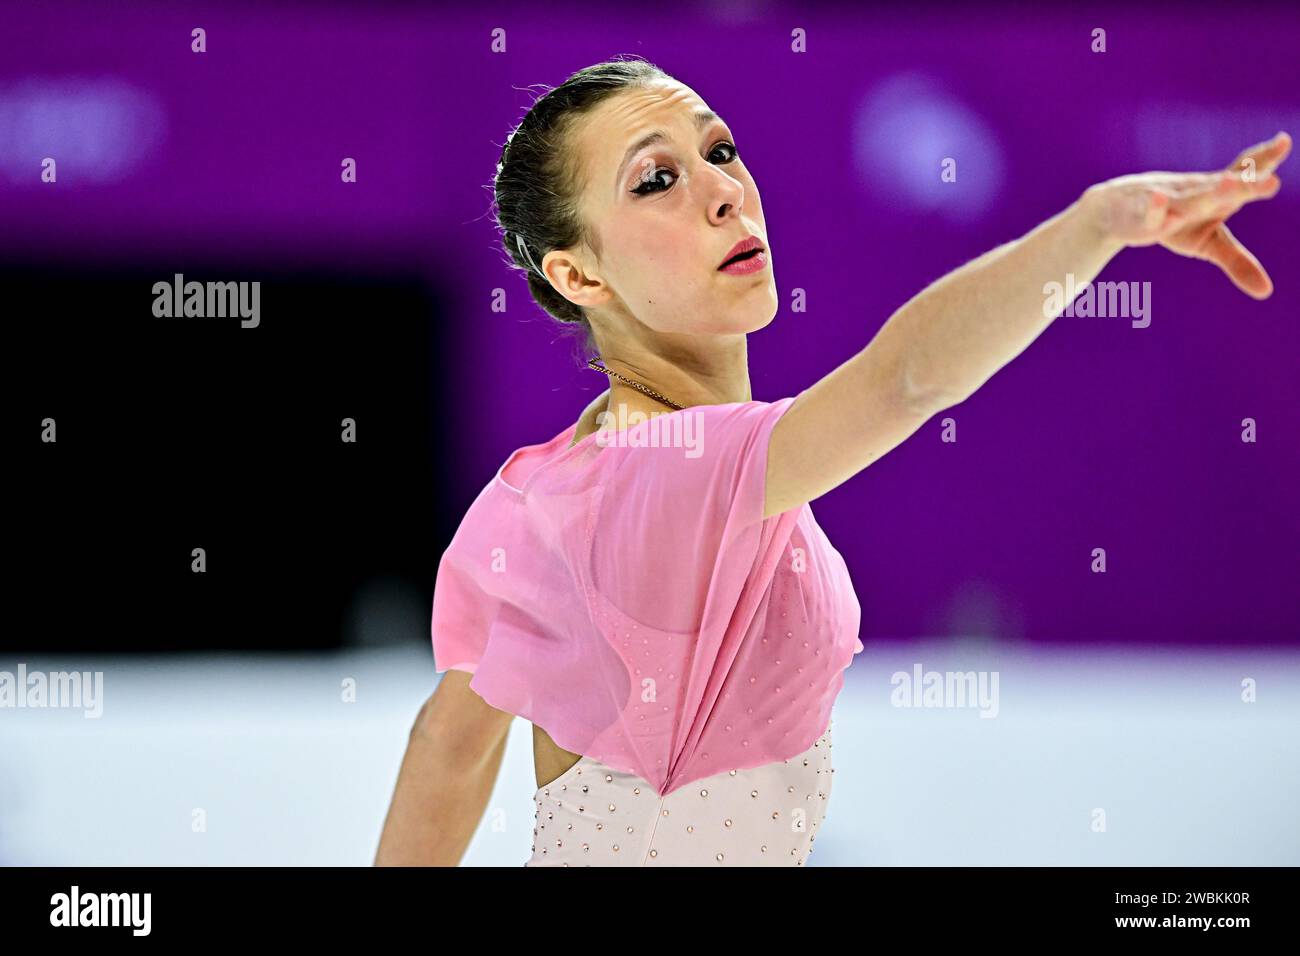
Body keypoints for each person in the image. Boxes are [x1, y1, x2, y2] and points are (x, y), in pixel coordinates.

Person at [374, 56, 1290, 867]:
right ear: (579, 276)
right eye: (656, 180)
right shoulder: (665, 471)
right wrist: (1099, 224)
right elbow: (907, 380)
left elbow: (450, 743)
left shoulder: (548, 482)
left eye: (719, 151)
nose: (723, 191)